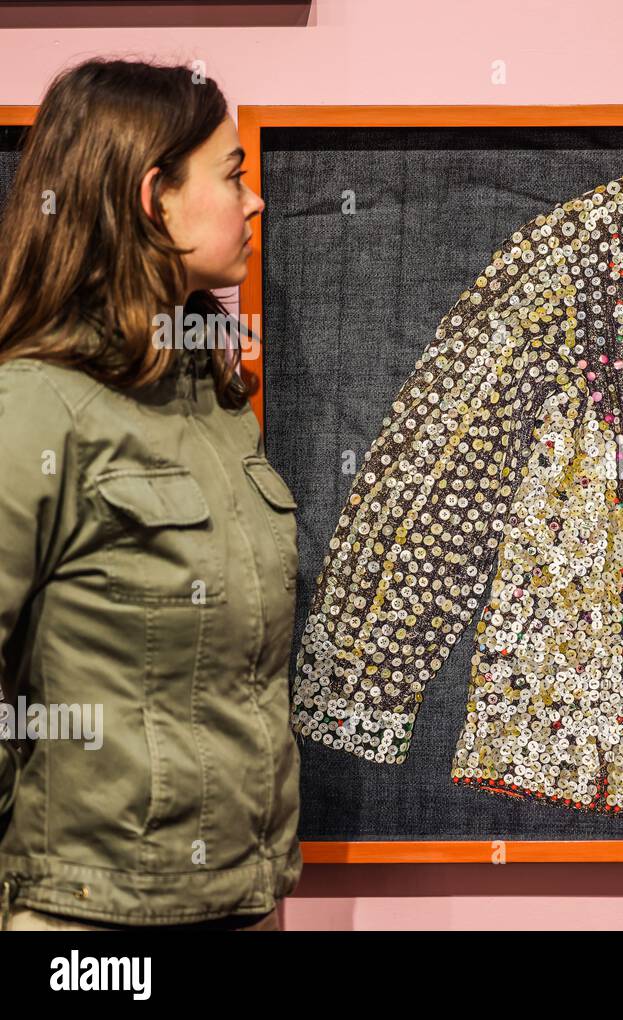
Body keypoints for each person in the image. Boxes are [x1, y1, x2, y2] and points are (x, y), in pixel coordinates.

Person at [0, 58, 301, 930]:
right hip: (87, 926)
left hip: (241, 904)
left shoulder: (214, 402)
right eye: (233, 175)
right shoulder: (33, 408)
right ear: (152, 196)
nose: (256, 202)